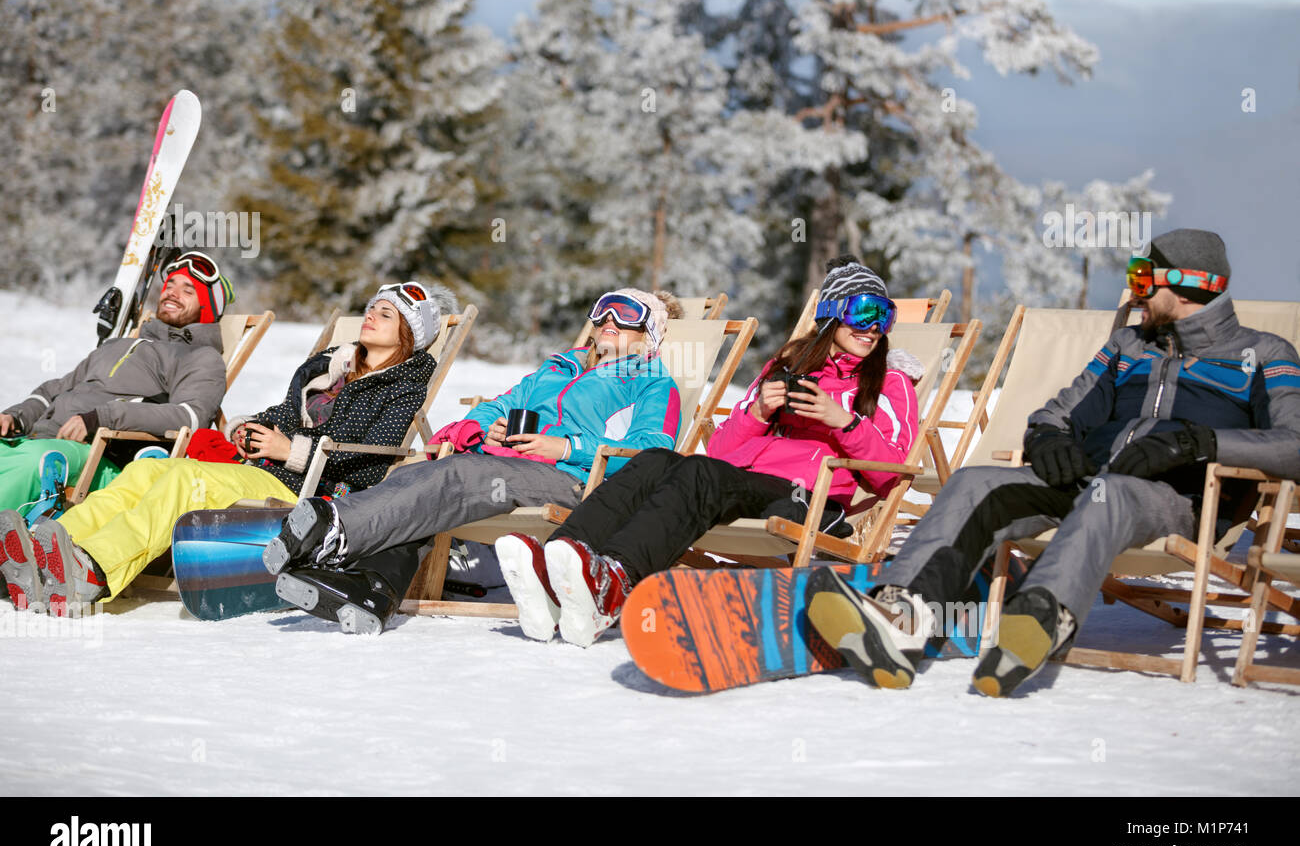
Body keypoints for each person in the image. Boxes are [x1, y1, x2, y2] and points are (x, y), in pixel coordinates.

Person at [804, 229, 1300, 697]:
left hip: (1180, 499)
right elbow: (1058, 411)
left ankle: (1039, 618)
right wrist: (1046, 438)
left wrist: (1199, 443)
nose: (1134, 293)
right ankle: (899, 622)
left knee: (1113, 494)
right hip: (1088, 483)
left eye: (1143, 279)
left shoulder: (1262, 354)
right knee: (977, 482)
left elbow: (1293, 445)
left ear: (1189, 285)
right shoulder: (1129, 346)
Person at [495, 257, 925, 647]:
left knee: (699, 473)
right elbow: (720, 449)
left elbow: (892, 473)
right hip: (740, 484)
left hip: (808, 499)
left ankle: (615, 583)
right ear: (831, 316)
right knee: (652, 462)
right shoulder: (788, 368)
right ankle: (556, 568)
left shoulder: (890, 384)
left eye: (882, 316)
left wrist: (844, 422)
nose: (873, 327)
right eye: (862, 312)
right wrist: (757, 411)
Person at [0, 281, 449, 615]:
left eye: (386, 314)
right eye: (373, 308)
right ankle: (52, 551)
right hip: (272, 468)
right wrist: (247, 427)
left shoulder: (403, 385)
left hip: (310, 490)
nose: (371, 315)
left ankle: (93, 568)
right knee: (148, 472)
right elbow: (285, 413)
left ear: (409, 334)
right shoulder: (332, 369)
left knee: (187, 481)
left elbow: (370, 460)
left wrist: (287, 449)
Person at [263, 288, 684, 636]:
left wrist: (567, 447)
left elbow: (653, 453)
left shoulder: (653, 383)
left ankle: (334, 527)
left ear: (648, 335)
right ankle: (373, 589)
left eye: (627, 315)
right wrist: (488, 428)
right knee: (419, 476)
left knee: (460, 477)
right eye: (602, 311)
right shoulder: (559, 367)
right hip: (508, 465)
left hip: (576, 481)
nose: (609, 320)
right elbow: (498, 404)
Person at [0, 251, 233, 517]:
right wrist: (15, 416)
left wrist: (103, 417)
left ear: (208, 307)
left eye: (187, 290)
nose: (171, 293)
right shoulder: (118, 345)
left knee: (29, 464)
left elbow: (190, 417)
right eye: (169, 285)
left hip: (96, 454)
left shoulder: (202, 357)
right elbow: (54, 389)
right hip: (39, 438)